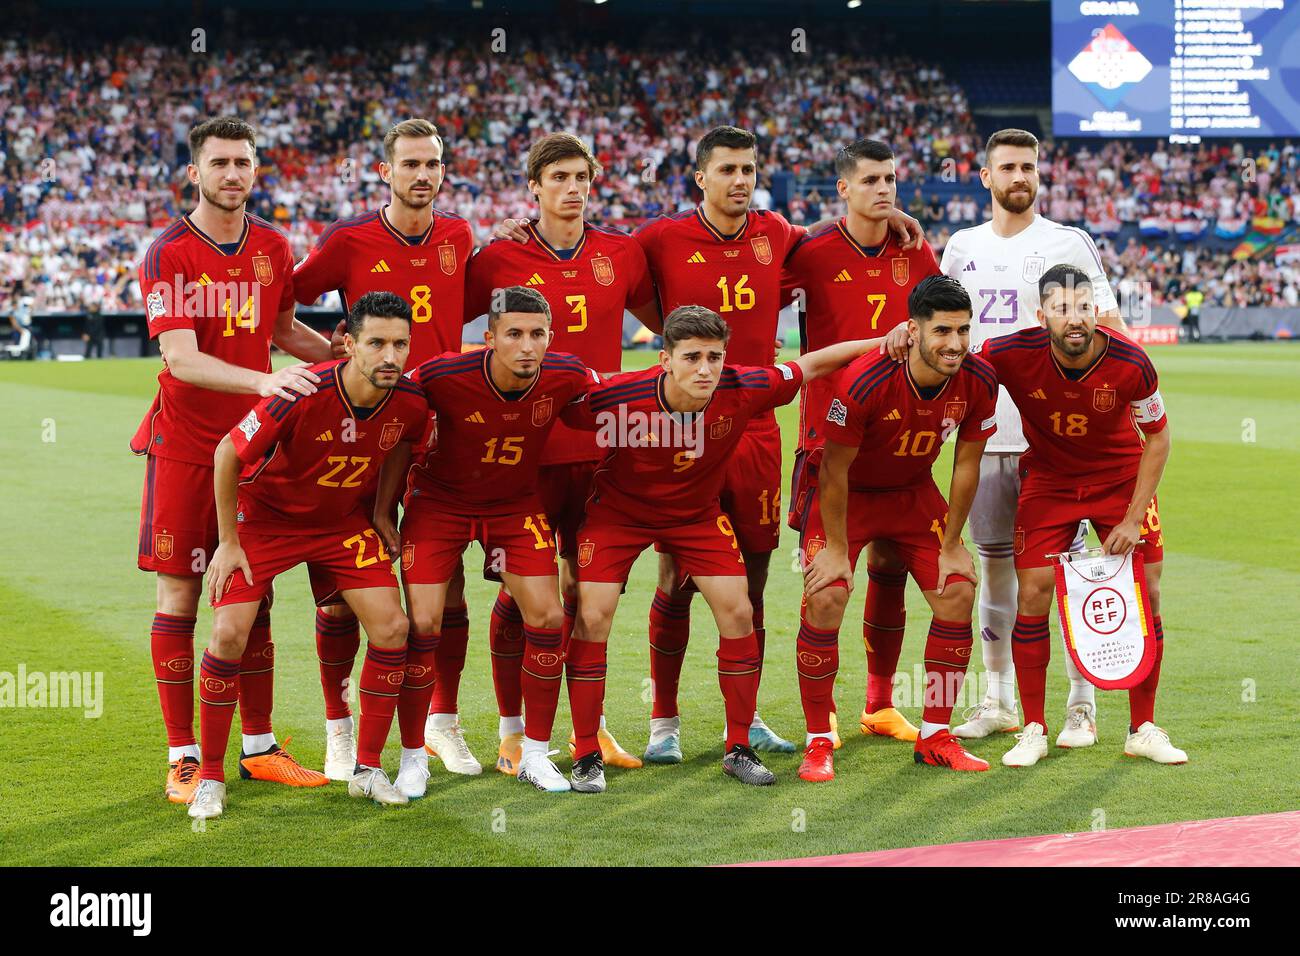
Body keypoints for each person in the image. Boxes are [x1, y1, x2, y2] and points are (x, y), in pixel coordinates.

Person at [630, 126, 925, 761]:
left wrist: (884, 208)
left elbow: (836, 235)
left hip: (758, 424)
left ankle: (750, 717)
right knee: (678, 572)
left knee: (756, 578)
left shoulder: (779, 235)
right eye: (727, 169)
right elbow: (613, 282)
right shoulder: (659, 237)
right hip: (685, 424)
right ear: (699, 177)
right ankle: (664, 722)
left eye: (749, 169)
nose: (740, 180)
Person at [565, 305, 884, 790]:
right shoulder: (619, 393)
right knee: (593, 616)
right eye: (692, 357)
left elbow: (814, 363)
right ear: (665, 358)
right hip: (617, 516)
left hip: (695, 515)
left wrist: (885, 341)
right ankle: (586, 750)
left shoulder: (742, 387)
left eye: (714, 356)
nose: (705, 369)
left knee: (738, 611)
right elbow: (553, 404)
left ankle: (738, 747)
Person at [131, 116, 339, 805]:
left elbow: (282, 331)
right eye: (218, 163)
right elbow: (181, 358)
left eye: (242, 163)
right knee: (183, 597)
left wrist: (344, 359)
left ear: (255, 170)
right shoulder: (167, 254)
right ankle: (184, 755)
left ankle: (258, 747)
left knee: (255, 592)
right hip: (187, 450)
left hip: (255, 448)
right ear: (193, 172)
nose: (231, 174)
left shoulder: (274, 247)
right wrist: (262, 381)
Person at [188, 291, 430, 820]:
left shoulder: (411, 400)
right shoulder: (299, 391)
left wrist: (384, 512)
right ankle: (208, 776)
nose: (390, 356)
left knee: (393, 629)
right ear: (348, 344)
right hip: (267, 521)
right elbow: (227, 451)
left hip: (341, 524)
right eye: (377, 343)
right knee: (229, 633)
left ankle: (366, 769)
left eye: (400, 344)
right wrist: (228, 542)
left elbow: (405, 445)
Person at [462, 132, 660, 776]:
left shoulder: (620, 255)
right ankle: (513, 732)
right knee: (524, 591)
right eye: (559, 178)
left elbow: (672, 322)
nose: (573, 188)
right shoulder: (498, 258)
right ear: (535, 187)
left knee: (588, 588)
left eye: (582, 177)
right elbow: (440, 321)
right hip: (523, 451)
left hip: (601, 451)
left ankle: (589, 727)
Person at [293, 117, 476, 781]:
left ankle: (442, 725)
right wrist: (334, 360)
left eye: (432, 164)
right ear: (385, 172)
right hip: (365, 438)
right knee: (342, 598)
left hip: (442, 434)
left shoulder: (459, 234)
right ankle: (340, 731)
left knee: (446, 592)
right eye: (410, 164)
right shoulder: (347, 240)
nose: (422, 175)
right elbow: (279, 306)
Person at [939, 129, 1127, 748]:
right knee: (995, 572)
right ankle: (997, 701)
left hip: (1056, 444)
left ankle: (1081, 704)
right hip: (988, 438)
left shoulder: (1066, 243)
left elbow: (1109, 326)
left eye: (1029, 166)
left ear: (1038, 174)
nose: (1019, 175)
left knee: (1070, 574)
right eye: (1007, 167)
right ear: (985, 177)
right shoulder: (962, 248)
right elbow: (942, 332)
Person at [375, 285, 600, 794]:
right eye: (514, 334)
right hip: (439, 506)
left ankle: (535, 754)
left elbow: (611, 397)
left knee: (547, 616)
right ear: (489, 337)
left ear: (551, 337)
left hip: (514, 506)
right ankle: (414, 755)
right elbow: (395, 428)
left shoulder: (569, 373)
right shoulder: (440, 375)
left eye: (537, 334)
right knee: (424, 623)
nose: (526, 345)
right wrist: (382, 509)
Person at [977, 264, 1183, 767]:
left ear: (1097, 311)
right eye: (1063, 308)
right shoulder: (1009, 352)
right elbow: (954, 359)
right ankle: (1033, 729)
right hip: (1050, 482)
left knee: (1147, 591)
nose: (1076, 319)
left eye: (1085, 307)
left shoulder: (1132, 362)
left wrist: (1133, 519)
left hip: (1120, 482)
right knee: (1033, 595)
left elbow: (1158, 437)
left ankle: (1142, 727)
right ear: (1042, 313)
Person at [801, 276, 997, 780]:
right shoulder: (865, 381)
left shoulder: (978, 378)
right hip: (848, 496)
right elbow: (834, 470)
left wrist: (954, 544)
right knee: (827, 594)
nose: (954, 344)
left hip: (911, 491)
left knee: (957, 590)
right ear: (913, 331)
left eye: (962, 331)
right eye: (942, 332)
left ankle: (936, 734)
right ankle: (819, 739)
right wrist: (837, 549)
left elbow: (967, 464)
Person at [783, 138, 941, 748]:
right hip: (830, 446)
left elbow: (941, 319)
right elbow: (755, 276)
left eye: (891, 179)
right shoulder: (813, 251)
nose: (884, 190)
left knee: (891, 570)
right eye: (870, 180)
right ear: (843, 188)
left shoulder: (913, 248)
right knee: (826, 587)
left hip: (902, 448)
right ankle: (819, 727)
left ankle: (878, 704)